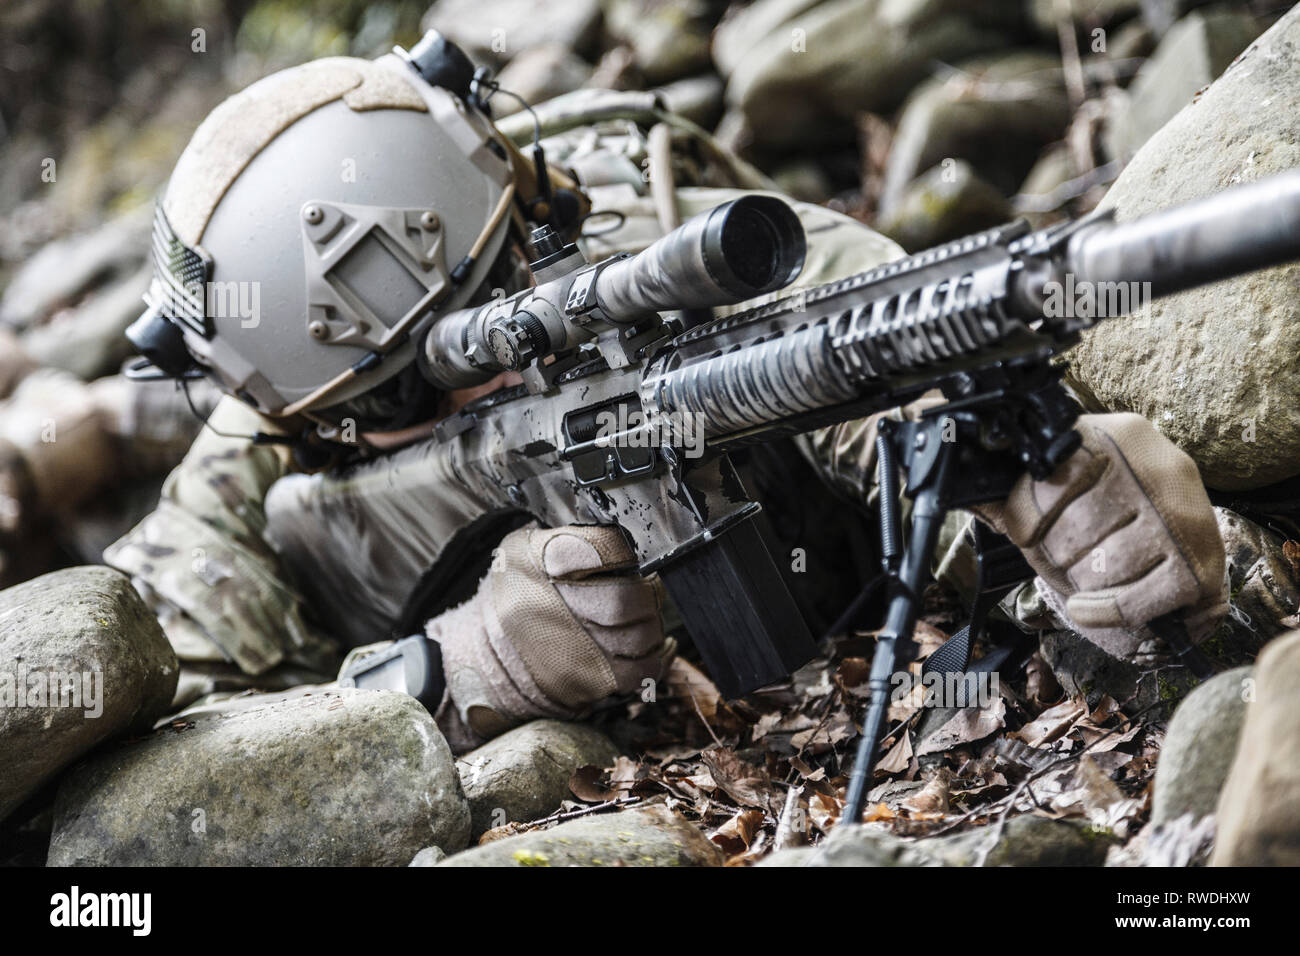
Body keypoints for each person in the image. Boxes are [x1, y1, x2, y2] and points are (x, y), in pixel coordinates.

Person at [103, 32, 1227, 755]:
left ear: (522, 217)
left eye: (497, 302)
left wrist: (1052, 512)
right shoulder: (245, 482)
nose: (496, 374)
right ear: (309, 420)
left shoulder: (656, 243)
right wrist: (450, 672)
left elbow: (881, 372)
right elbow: (147, 785)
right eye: (423, 386)